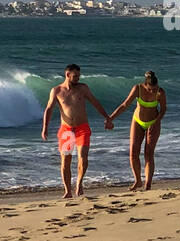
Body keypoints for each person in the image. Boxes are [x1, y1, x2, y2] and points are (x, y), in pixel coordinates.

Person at [41, 64, 113, 198]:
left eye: (79, 76)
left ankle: (79, 183)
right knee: (65, 161)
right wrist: (45, 127)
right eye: (75, 76)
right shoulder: (56, 91)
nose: (77, 79)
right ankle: (67, 190)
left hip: (82, 129)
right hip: (66, 131)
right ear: (67, 75)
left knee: (83, 157)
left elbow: (95, 102)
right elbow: (49, 109)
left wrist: (107, 118)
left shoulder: (83, 88)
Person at [109, 70, 167, 190]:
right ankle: (138, 181)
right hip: (138, 121)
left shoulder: (160, 92)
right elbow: (125, 105)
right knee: (133, 153)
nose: (153, 91)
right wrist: (110, 118)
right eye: (150, 89)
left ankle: (148, 184)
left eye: (155, 88)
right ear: (145, 85)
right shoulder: (138, 89)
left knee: (148, 154)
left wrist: (157, 122)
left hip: (153, 122)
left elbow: (163, 109)